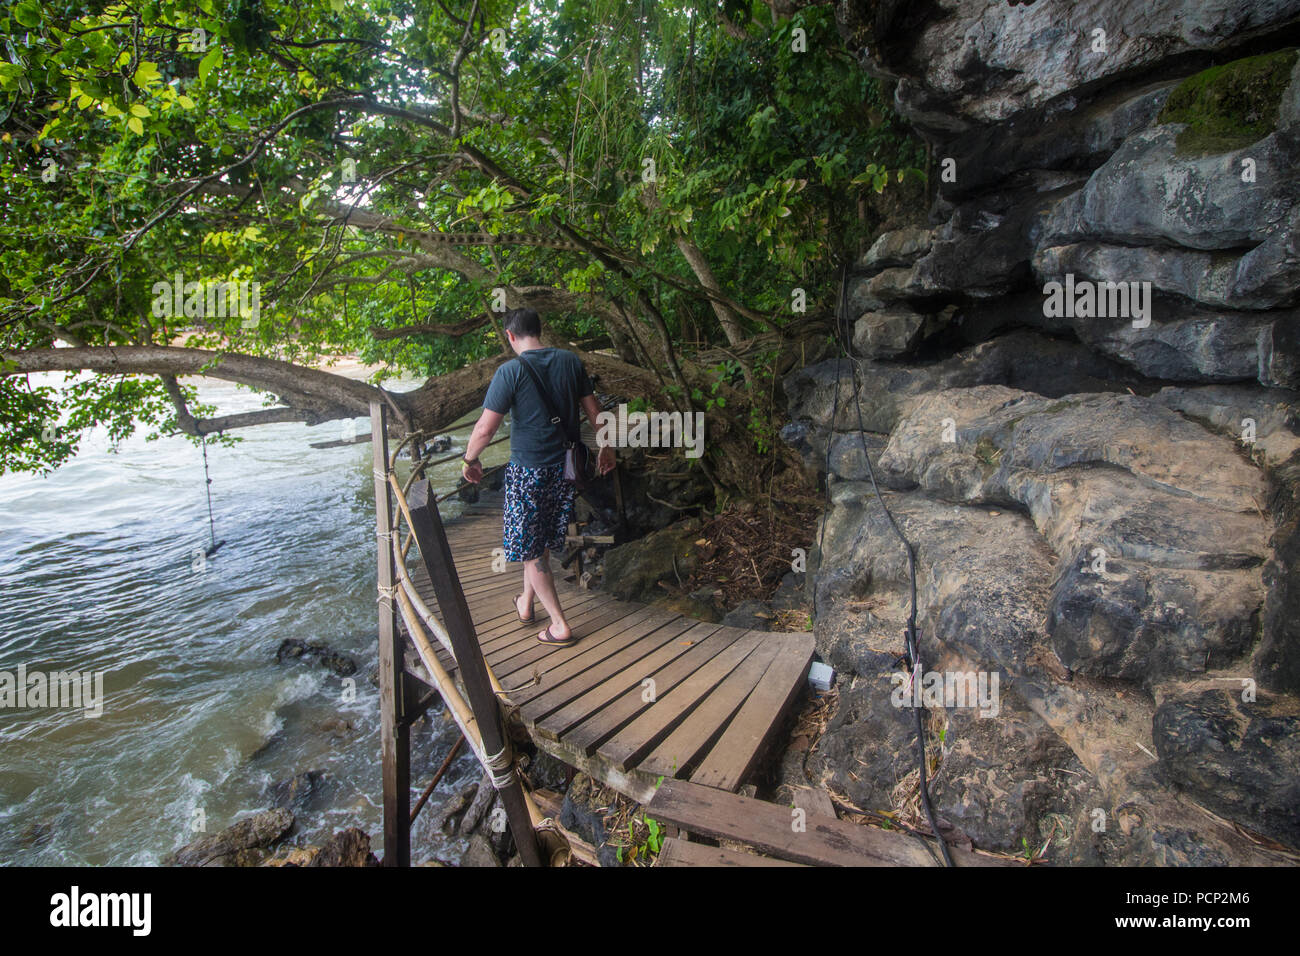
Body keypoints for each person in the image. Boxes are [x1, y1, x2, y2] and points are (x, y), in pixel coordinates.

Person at [460, 308, 615, 646]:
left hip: (528, 473)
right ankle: (527, 605)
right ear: (539, 330)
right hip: (565, 470)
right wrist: (607, 447)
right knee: (539, 542)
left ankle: (560, 626)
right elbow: (594, 411)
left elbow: (486, 428)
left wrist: (469, 459)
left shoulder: (509, 371)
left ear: (510, 336)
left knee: (530, 550)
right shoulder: (569, 361)